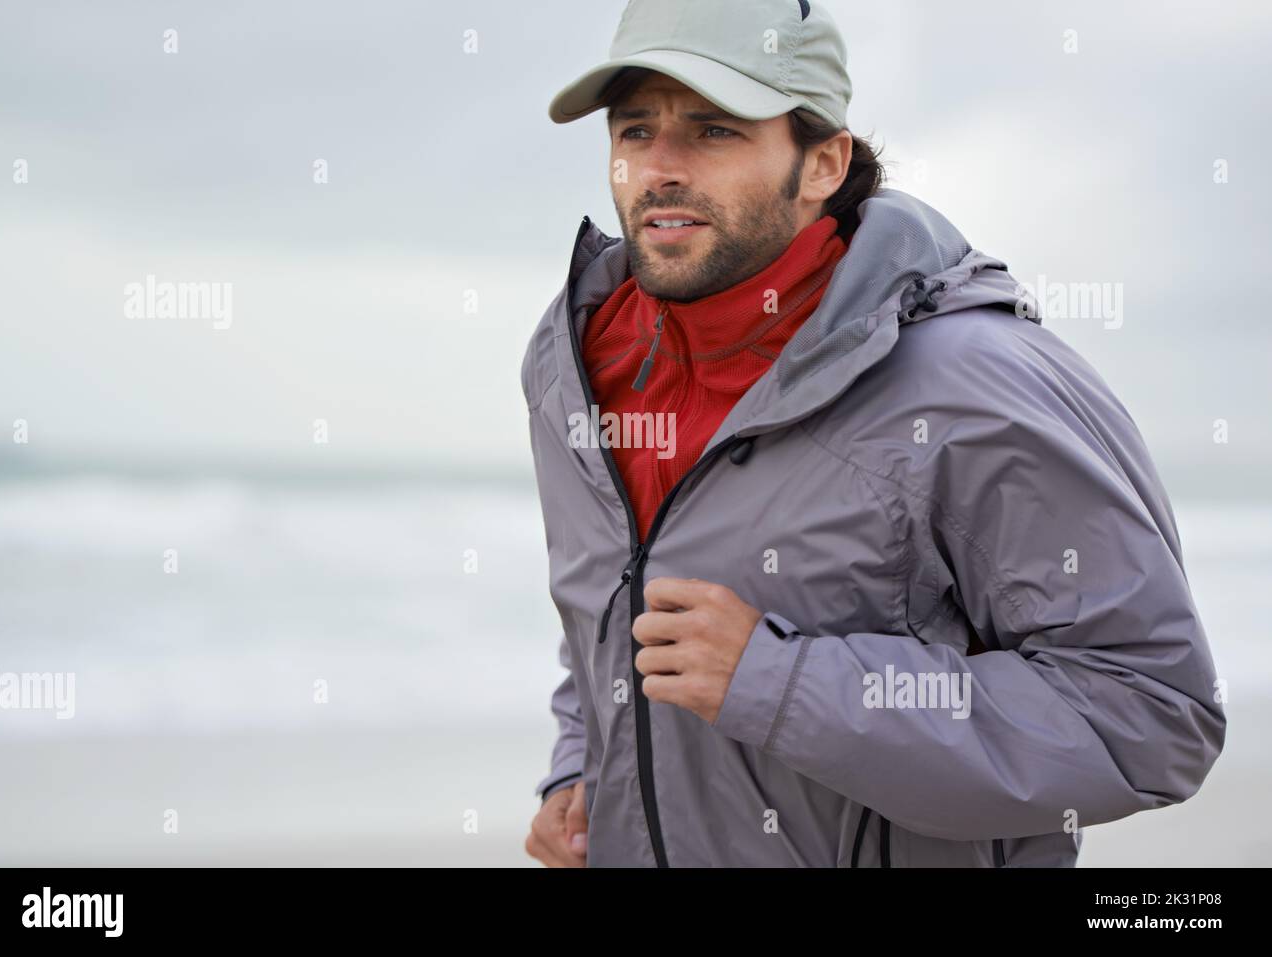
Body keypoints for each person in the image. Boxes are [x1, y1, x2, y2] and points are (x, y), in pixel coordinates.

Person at [521, 0, 1226, 867]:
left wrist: (779, 684)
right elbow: (610, 602)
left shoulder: (975, 381)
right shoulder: (577, 363)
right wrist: (580, 769)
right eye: (634, 131)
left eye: (713, 131)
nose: (659, 168)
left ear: (824, 162)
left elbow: (1151, 712)